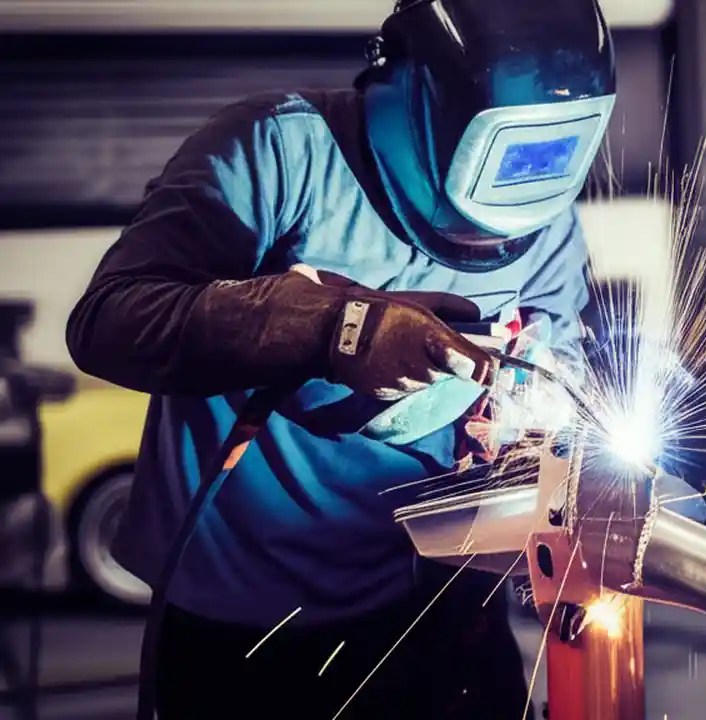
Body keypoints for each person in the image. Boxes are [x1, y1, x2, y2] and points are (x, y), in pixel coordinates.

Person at [64, 1, 616, 717]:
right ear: (414, 101)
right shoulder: (276, 155)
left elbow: (557, 355)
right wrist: (332, 328)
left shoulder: (545, 214)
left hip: (436, 603)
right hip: (244, 627)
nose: (492, 246)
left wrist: (527, 433)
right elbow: (107, 320)